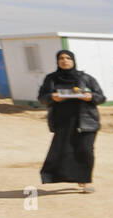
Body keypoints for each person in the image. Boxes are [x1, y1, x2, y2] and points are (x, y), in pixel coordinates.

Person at [38, 49, 105, 192]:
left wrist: (90, 97)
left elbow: (101, 97)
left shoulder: (86, 78)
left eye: (68, 58)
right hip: (63, 122)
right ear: (57, 61)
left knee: (86, 150)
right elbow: (42, 98)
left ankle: (85, 181)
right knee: (65, 151)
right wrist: (52, 98)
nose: (64, 60)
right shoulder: (51, 79)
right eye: (61, 58)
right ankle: (62, 177)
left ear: (73, 61)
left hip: (86, 121)